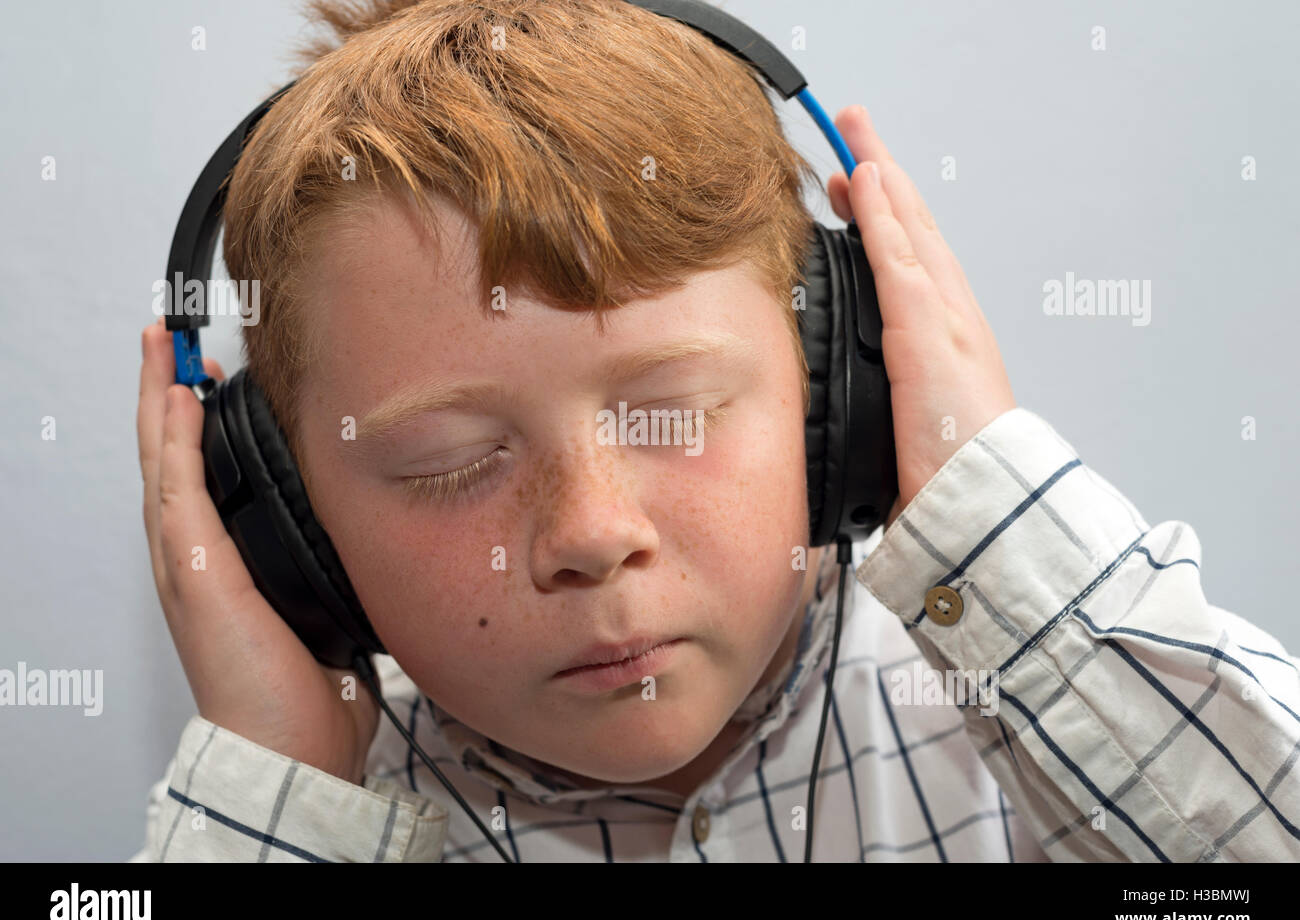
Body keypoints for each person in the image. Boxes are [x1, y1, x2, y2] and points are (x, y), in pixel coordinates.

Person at [131, 0, 1300, 862]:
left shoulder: (1028, 712)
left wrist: (989, 518)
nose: (591, 532)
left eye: (672, 410)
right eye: (451, 462)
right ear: (286, 526)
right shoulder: (318, 823)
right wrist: (272, 777)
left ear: (840, 383)